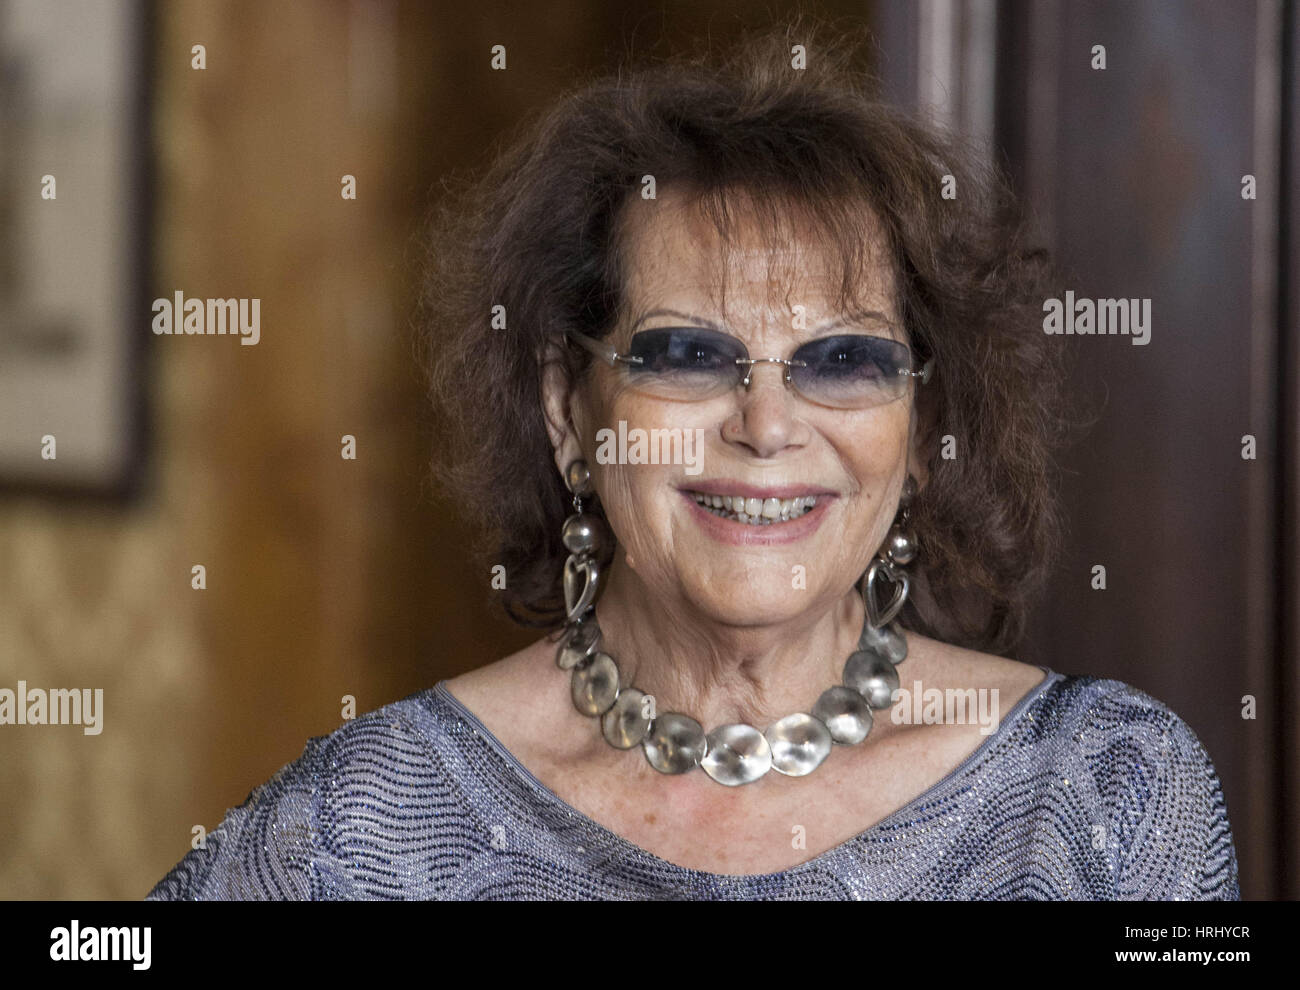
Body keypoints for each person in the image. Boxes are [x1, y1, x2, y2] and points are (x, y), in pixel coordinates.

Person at [147, 24, 1239, 900]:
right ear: (567, 409)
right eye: (686, 354)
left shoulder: (1105, 797)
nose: (766, 425)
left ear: (918, 436)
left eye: (843, 362)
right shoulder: (365, 828)